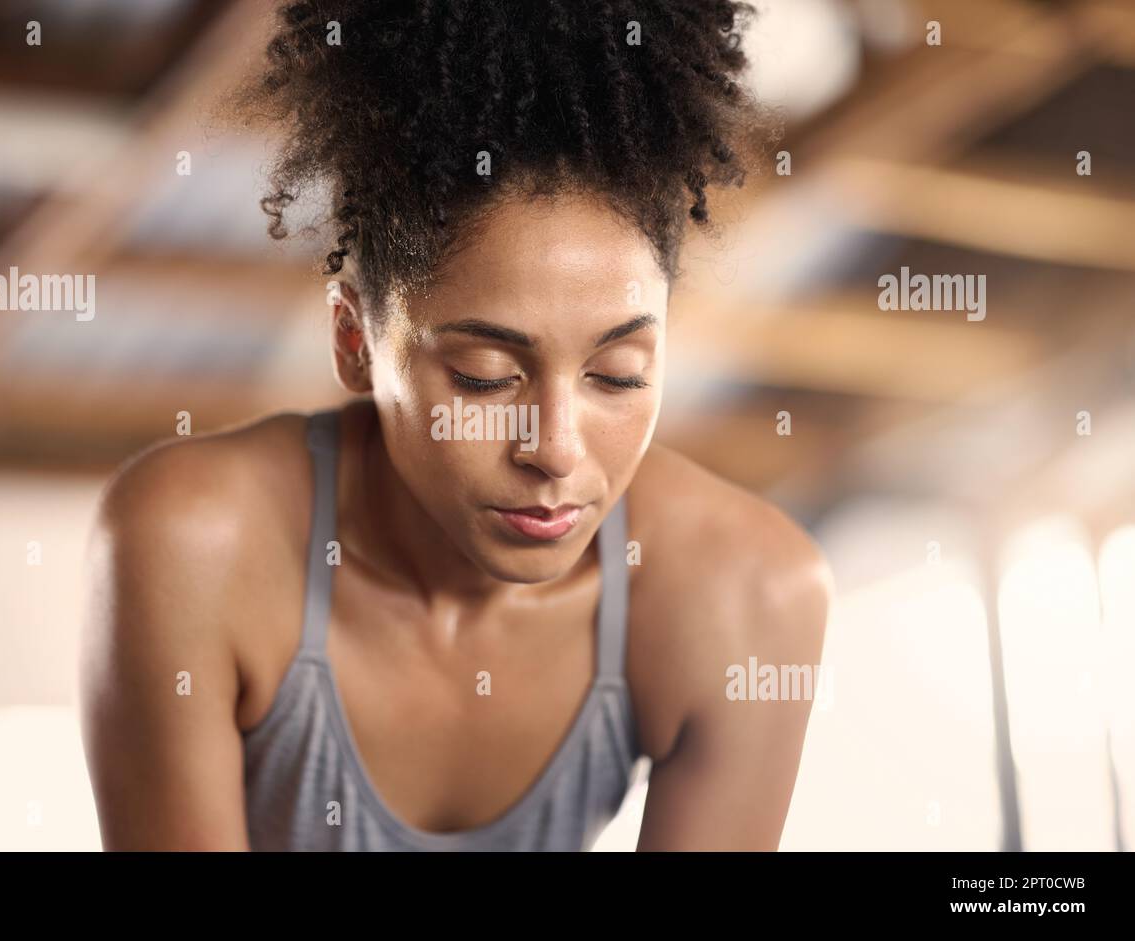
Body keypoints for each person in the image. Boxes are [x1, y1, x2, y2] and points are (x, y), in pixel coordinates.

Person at [80, 0, 831, 851]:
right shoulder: (191, 542)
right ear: (355, 341)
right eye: (485, 376)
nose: (556, 449)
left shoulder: (748, 593)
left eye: (618, 374)